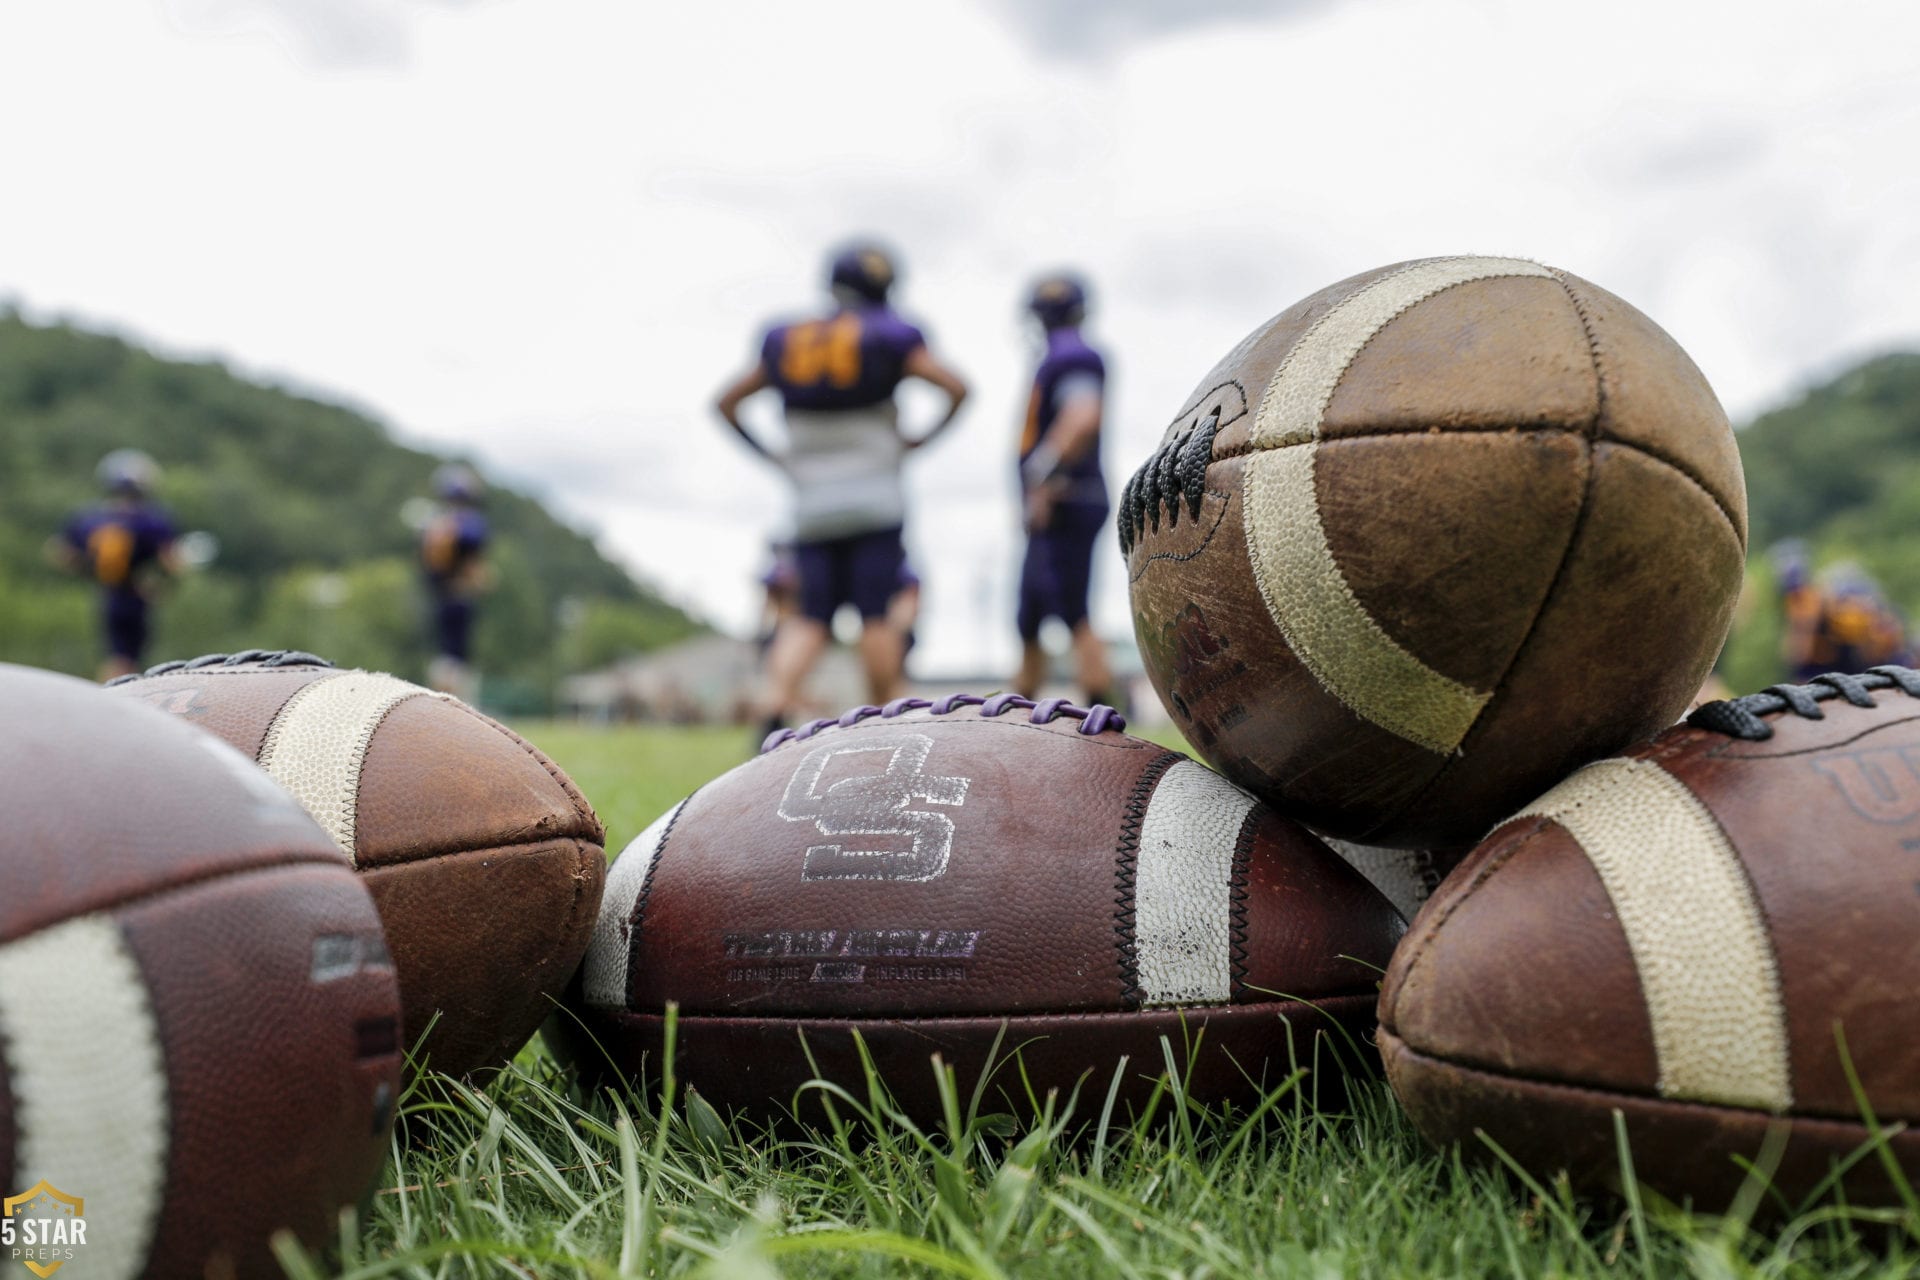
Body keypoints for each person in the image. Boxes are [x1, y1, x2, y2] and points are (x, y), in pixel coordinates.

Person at [714, 242, 968, 733]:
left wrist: (772, 454)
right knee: (876, 615)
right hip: (876, 499)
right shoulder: (893, 335)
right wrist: (919, 440)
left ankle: (773, 707)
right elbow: (956, 388)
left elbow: (727, 402)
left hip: (811, 504)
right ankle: (882, 717)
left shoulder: (786, 338)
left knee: (810, 618)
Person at [1011, 273, 1115, 706]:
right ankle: (1016, 715)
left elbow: (1083, 415)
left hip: (1066, 499)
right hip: (1063, 499)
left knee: (1073, 611)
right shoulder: (1064, 355)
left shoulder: (1073, 356)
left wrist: (1040, 475)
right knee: (1029, 617)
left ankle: (1101, 708)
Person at [51, 449, 181, 681]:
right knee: (127, 660)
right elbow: (171, 563)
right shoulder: (151, 520)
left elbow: (60, 553)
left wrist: (93, 572)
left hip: (108, 593)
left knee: (116, 656)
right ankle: (115, 706)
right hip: (134, 594)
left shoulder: (89, 517)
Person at [419, 462, 493, 699]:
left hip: (440, 597)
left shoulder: (432, 522)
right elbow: (477, 568)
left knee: (444, 654)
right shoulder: (469, 523)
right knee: (457, 658)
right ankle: (454, 705)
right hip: (459, 596)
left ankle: (440, 700)